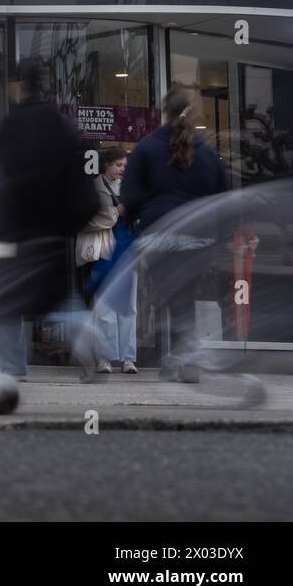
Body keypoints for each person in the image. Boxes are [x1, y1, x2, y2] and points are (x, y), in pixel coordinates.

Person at [0, 58, 99, 382]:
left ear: (20, 85)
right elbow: (75, 174)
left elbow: (1, 180)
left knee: (8, 299)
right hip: (53, 226)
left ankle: (13, 368)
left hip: (18, 226)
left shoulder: (12, 124)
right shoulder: (59, 122)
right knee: (58, 295)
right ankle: (86, 336)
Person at [120, 85, 228, 382]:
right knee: (183, 297)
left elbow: (130, 195)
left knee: (168, 297)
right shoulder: (206, 153)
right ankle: (184, 356)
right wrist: (219, 237)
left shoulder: (146, 148)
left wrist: (134, 221)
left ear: (164, 112)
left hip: (160, 234)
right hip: (198, 237)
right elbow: (222, 197)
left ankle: (183, 354)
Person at [79, 147, 138, 374]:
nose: (122, 169)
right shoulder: (95, 187)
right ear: (107, 164)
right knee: (104, 308)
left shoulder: (131, 188)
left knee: (128, 308)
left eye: (125, 166)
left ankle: (128, 358)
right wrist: (116, 211)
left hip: (126, 251)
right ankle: (104, 357)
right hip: (104, 251)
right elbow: (88, 219)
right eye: (118, 165)